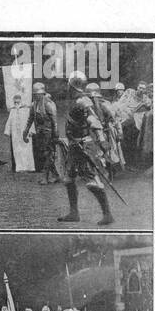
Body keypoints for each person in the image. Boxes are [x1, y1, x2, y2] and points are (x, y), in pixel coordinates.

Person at [57, 71, 113, 225]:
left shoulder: (82, 101)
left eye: (68, 84)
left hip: (83, 146)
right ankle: (74, 213)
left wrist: (102, 140)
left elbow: (94, 122)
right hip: (74, 146)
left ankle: (108, 214)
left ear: (72, 85)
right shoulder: (75, 100)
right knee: (69, 179)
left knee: (92, 181)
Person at [23, 82, 59, 182]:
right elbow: (30, 120)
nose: (35, 96)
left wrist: (55, 134)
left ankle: (45, 177)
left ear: (42, 93)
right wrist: (25, 132)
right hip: (40, 133)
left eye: (37, 94)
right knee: (45, 155)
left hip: (49, 133)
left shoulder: (49, 104)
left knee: (48, 154)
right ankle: (56, 175)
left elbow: (54, 121)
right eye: (34, 94)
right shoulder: (34, 105)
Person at [3, 93, 34, 172]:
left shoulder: (26, 109)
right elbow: (9, 121)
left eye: (18, 102)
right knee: (17, 150)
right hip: (15, 134)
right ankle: (20, 167)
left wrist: (31, 131)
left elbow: (30, 120)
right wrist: (7, 131)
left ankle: (28, 167)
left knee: (26, 149)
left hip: (25, 133)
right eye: (15, 102)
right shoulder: (12, 110)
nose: (16, 104)